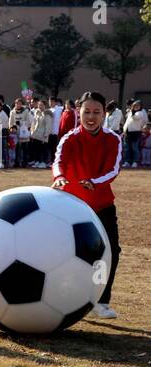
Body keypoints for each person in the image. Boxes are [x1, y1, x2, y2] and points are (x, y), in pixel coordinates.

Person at [54, 90, 122, 318]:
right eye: (87, 112)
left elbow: (113, 170)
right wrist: (59, 177)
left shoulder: (113, 138)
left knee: (109, 251)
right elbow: (58, 162)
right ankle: (65, 297)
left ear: (104, 114)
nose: (91, 117)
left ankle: (101, 300)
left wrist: (94, 182)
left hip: (102, 206)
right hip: (71, 207)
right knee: (66, 253)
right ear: (78, 112)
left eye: (97, 112)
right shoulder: (70, 138)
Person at [121, 99, 146, 168]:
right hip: (128, 132)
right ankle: (127, 161)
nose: (136, 107)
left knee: (135, 148)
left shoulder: (141, 112)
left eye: (137, 105)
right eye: (134, 105)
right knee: (127, 148)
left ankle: (135, 162)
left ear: (140, 106)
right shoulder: (130, 112)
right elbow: (127, 122)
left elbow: (135, 117)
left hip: (136, 132)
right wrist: (124, 130)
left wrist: (132, 110)